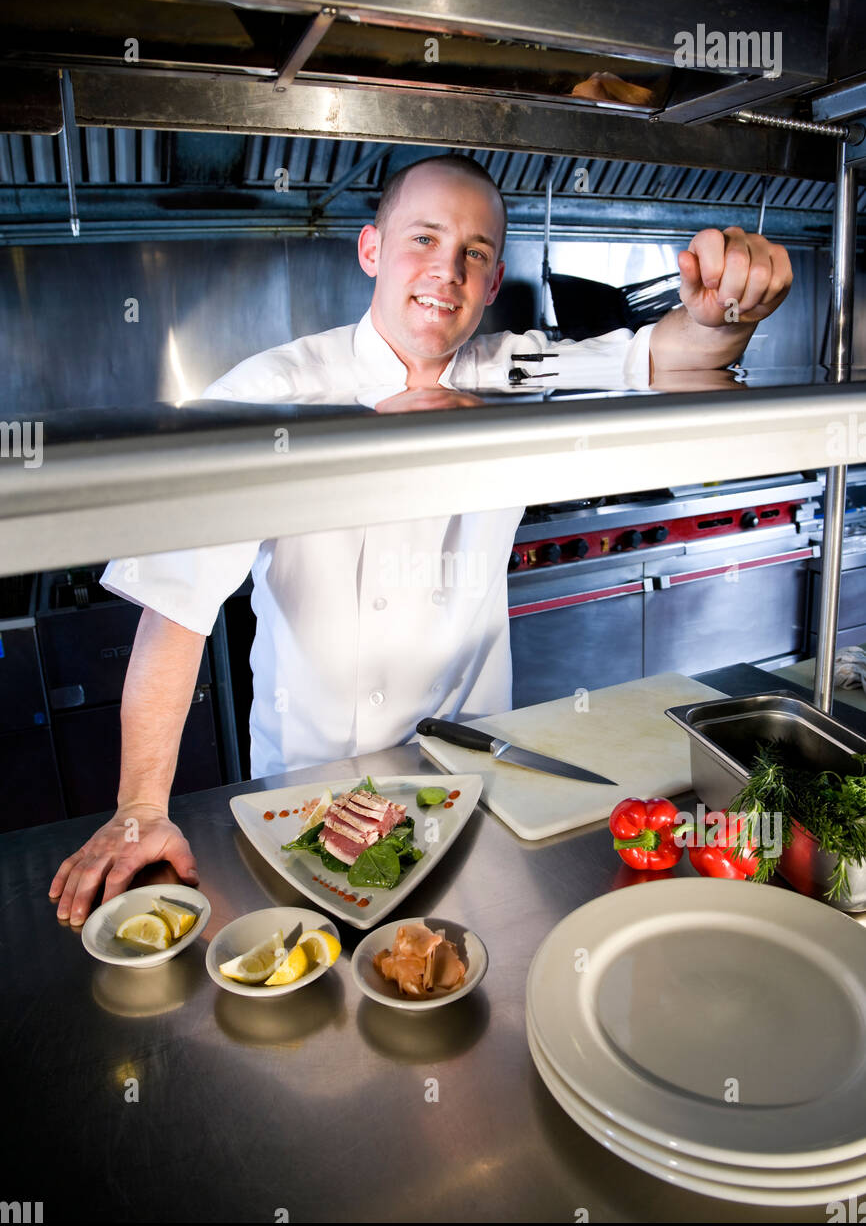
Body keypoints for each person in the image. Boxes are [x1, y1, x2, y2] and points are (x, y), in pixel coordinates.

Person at [49, 154, 792, 924]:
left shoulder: (516, 370)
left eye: (473, 253)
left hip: (472, 772)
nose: (447, 271)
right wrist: (139, 806)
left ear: (494, 277)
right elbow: (177, 608)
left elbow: (664, 359)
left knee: (473, 952)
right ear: (371, 249)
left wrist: (723, 316)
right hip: (310, 787)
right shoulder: (269, 393)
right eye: (424, 239)